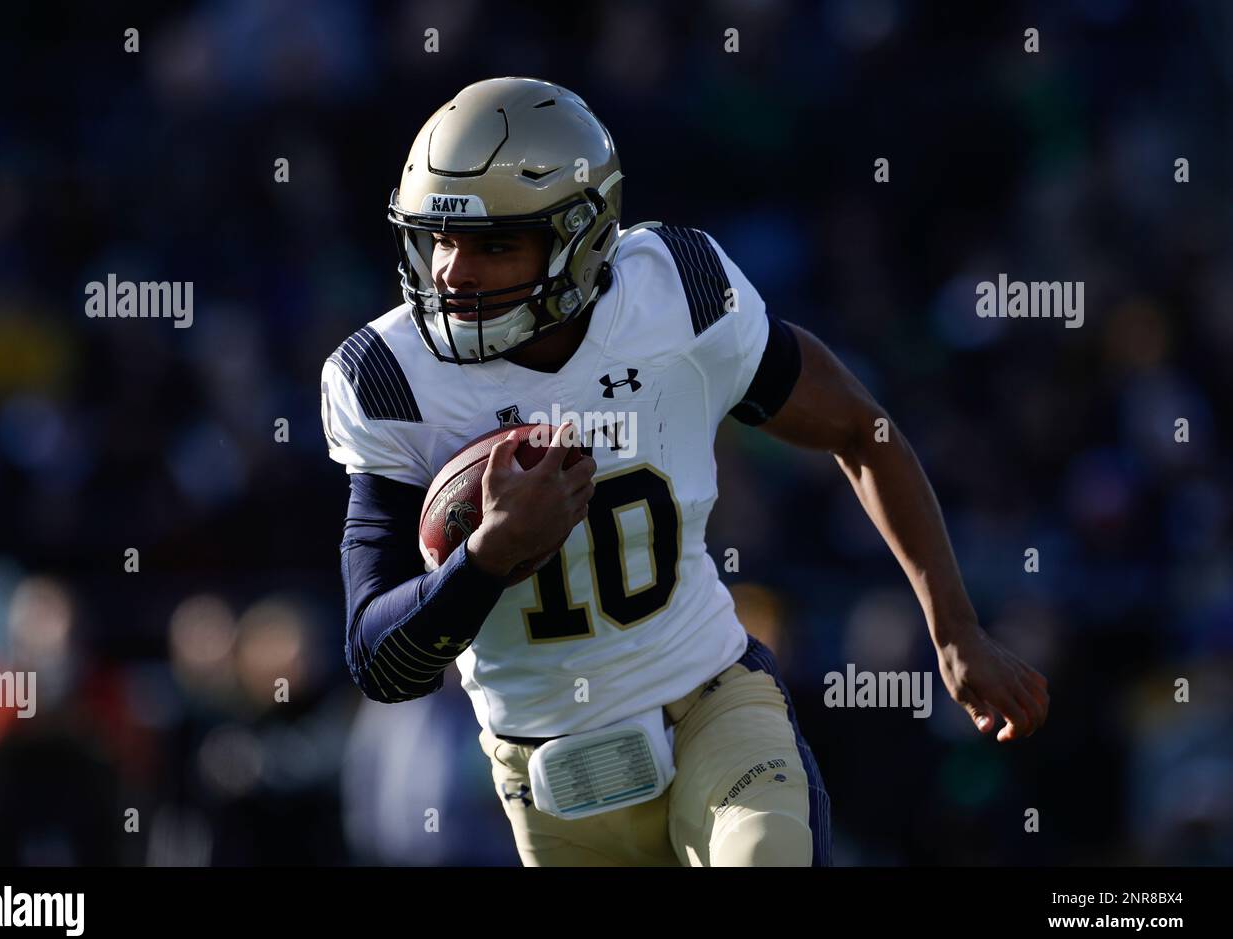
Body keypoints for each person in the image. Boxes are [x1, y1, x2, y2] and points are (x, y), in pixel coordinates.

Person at [320, 76, 1049, 866]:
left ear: (580, 235)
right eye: (439, 238)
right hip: (546, 773)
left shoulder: (674, 293)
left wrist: (955, 630)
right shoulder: (389, 375)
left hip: (711, 705)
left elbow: (862, 431)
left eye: (495, 243)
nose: (452, 273)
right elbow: (379, 660)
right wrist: (490, 556)